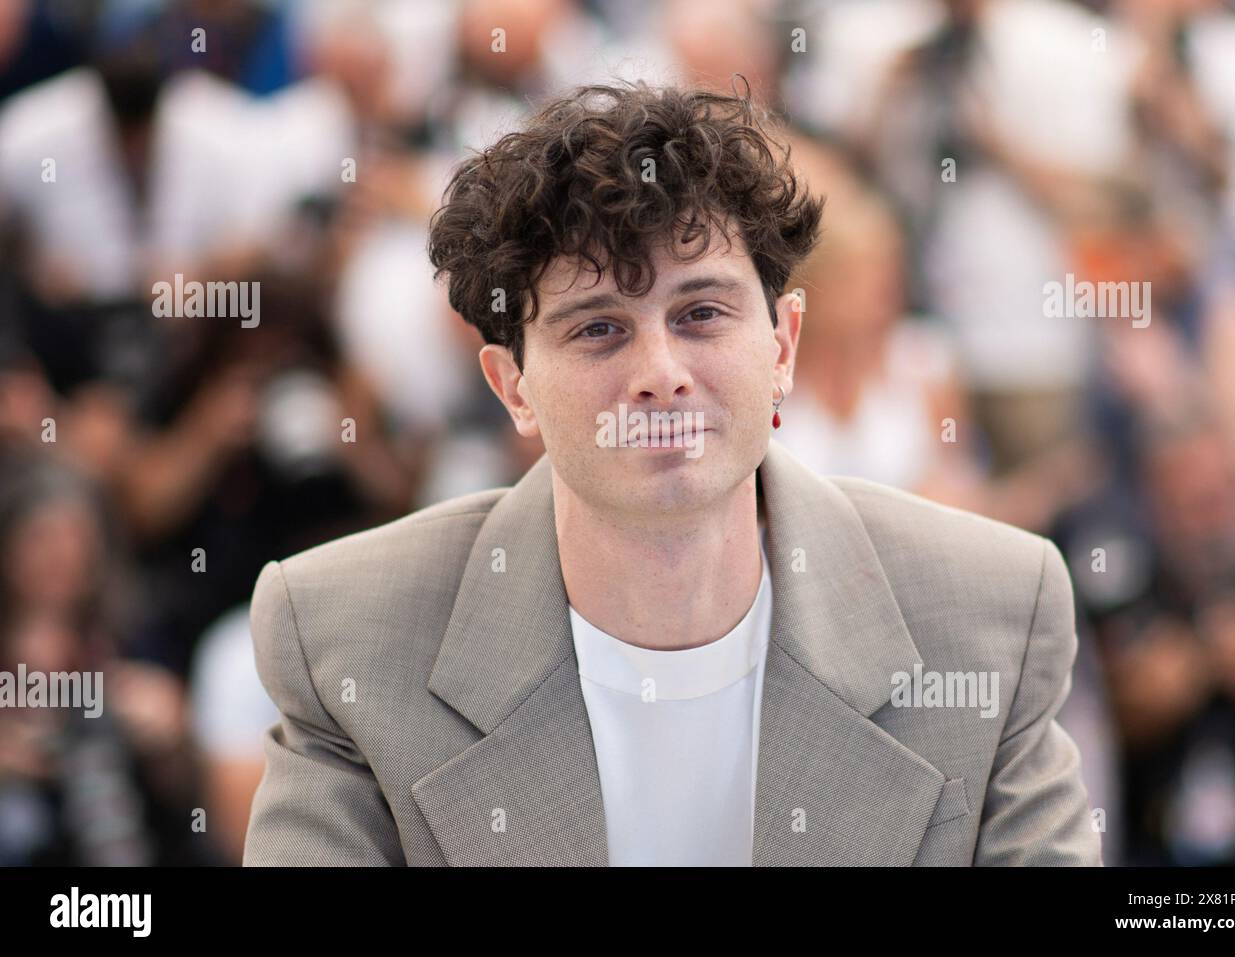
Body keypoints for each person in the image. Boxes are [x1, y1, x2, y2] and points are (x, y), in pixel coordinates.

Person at [242, 79, 1101, 866]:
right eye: (598, 328)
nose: (661, 369)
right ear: (514, 388)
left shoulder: (991, 615)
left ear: (784, 344)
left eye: (700, 312)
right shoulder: (344, 639)